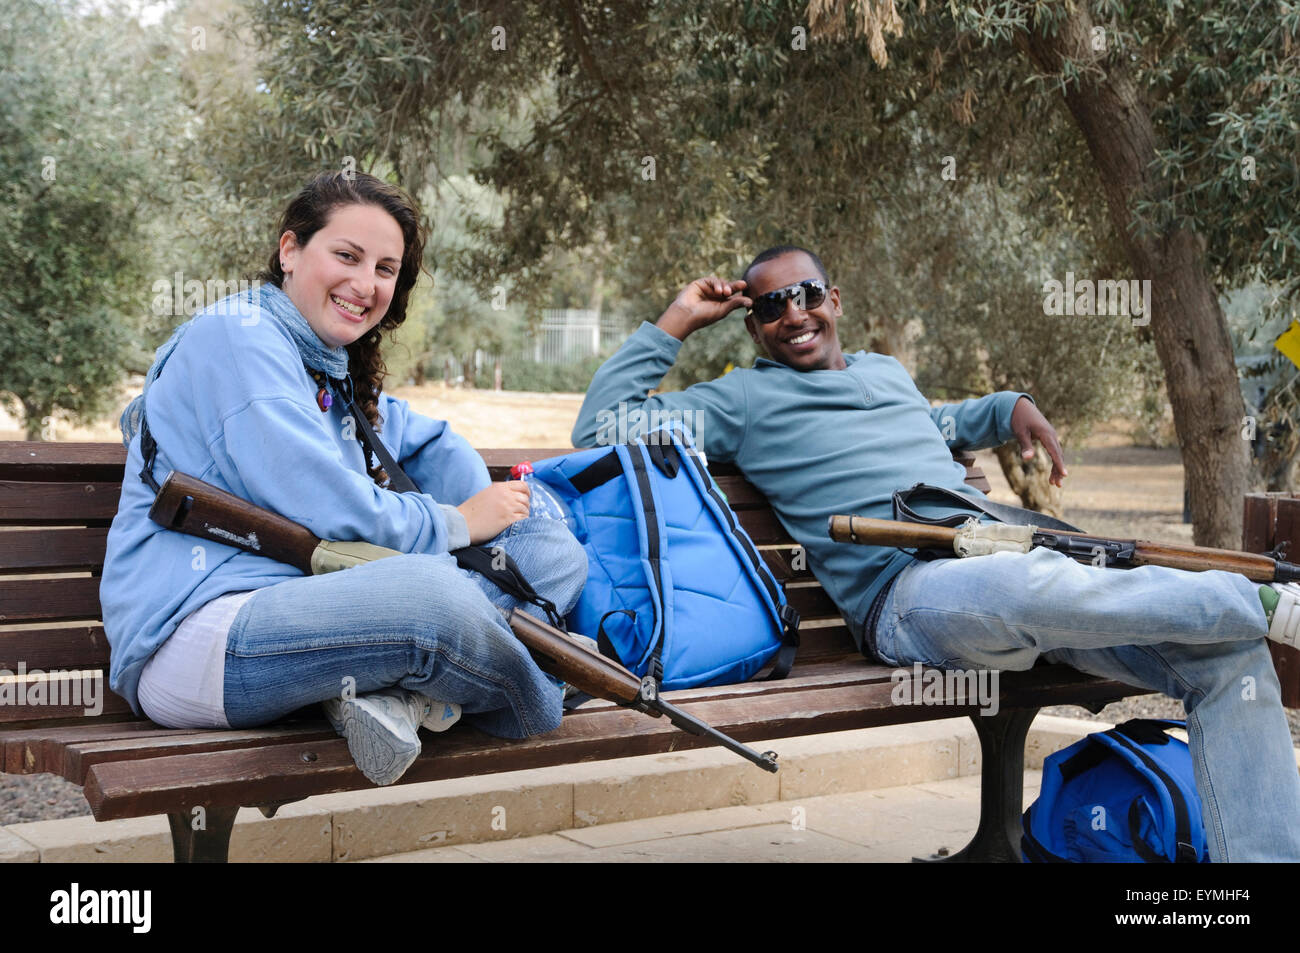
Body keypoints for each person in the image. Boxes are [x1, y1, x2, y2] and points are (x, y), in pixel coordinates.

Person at [572, 244, 1300, 862]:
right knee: (1036, 583)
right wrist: (677, 320)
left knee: (1228, 658)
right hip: (911, 599)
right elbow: (601, 426)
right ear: (754, 326)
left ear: (834, 299)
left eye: (805, 295)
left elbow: (937, 420)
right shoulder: (739, 404)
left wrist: (1006, 406)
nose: (792, 314)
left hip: (1007, 565)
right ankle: (1264, 601)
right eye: (769, 307)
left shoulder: (885, 372)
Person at [102, 171, 586, 787]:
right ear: (290, 251)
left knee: (550, 552)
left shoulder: (328, 372)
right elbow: (319, 499)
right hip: (202, 633)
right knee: (436, 601)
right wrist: (457, 524)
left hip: (324, 611)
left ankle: (399, 701)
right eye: (347, 256)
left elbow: (425, 438)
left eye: (386, 269)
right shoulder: (238, 336)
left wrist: (477, 531)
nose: (366, 284)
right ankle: (552, 682)